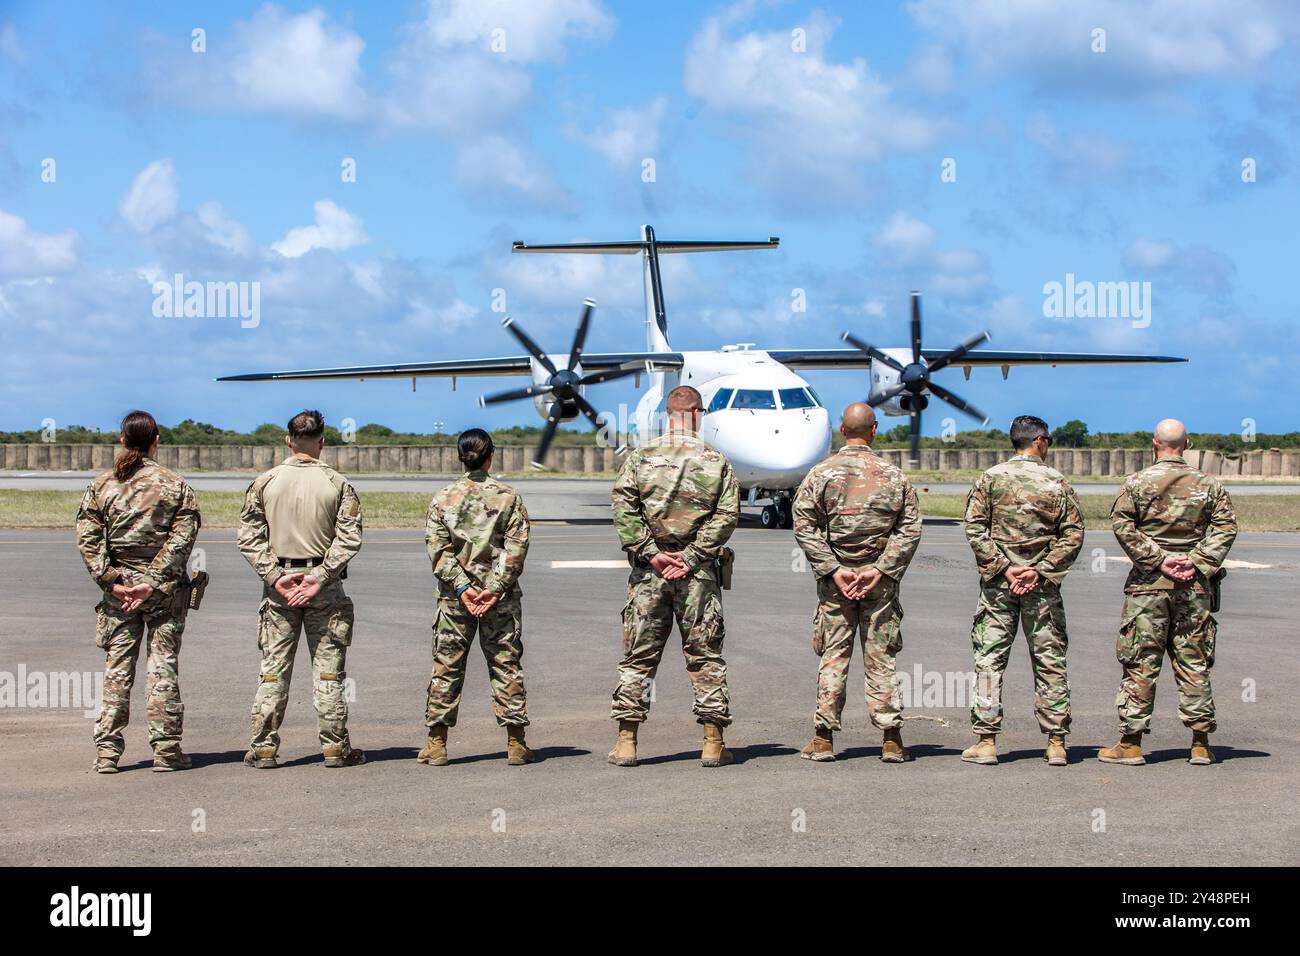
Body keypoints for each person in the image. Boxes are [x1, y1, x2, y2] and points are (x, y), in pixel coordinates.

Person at [608, 385, 739, 768]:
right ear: (697, 414)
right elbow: (726, 515)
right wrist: (693, 555)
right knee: (705, 657)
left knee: (638, 658)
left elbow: (623, 508)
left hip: (650, 576)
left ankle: (627, 742)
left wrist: (653, 554)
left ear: (668, 414)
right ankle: (712, 743)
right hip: (698, 577)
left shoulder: (640, 457)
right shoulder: (716, 460)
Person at [1100, 418, 1237, 766]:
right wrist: (1197, 562)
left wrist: (1158, 560)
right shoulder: (1210, 485)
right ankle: (1201, 742)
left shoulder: (1136, 483)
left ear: (1154, 443)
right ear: (1187, 444)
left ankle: (1130, 744)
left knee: (1141, 661)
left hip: (1149, 587)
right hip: (1194, 588)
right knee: (1194, 661)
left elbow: (1122, 525)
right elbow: (1225, 527)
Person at [792, 403, 922, 763]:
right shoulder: (893, 476)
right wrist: (880, 570)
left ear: (842, 429)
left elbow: (804, 525)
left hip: (837, 583)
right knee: (882, 657)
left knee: (834, 656)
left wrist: (833, 569)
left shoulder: (821, 474)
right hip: (878, 584)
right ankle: (891, 738)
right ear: (874, 429)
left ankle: (823, 738)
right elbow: (909, 529)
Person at [237, 410, 365, 769]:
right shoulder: (338, 484)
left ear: (287, 440)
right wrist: (320, 577)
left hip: (279, 588)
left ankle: (263, 748)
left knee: (273, 671)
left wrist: (276, 576)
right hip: (323, 589)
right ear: (322, 442)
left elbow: (248, 536)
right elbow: (349, 538)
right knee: (328, 673)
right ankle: (335, 749)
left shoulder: (265, 482)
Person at [75, 410, 201, 773]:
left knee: (117, 670)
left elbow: (88, 538)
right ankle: (166, 751)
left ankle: (107, 753)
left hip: (119, 594)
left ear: (122, 440)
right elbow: (182, 540)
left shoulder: (101, 486)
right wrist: (153, 581)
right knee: (163, 668)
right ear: (156, 440)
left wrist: (111, 580)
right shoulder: (176, 486)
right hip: (162, 593)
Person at [961, 415, 1084, 766]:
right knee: (1050, 662)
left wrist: (1004, 566)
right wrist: (1039, 570)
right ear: (1040, 441)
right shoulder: (1057, 482)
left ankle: (986, 741)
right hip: (1042, 589)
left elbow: (974, 528)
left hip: (999, 587)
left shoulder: (990, 478)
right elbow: (1072, 534)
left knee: (989, 661)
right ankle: (1056, 741)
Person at [419, 429, 535, 766]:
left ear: (460, 456)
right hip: (499, 599)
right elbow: (517, 549)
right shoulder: (509, 497)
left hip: (456, 601)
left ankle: (437, 744)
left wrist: (462, 588)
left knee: (447, 667)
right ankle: (516, 743)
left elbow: (438, 550)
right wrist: (494, 588)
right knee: (506, 666)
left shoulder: (443, 499)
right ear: (490, 456)